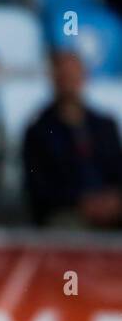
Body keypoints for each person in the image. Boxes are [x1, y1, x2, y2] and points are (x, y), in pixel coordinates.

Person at [23, 49, 122, 228]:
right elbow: (39, 189)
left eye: (74, 75)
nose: (69, 82)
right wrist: (81, 202)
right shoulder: (39, 131)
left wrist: (113, 201)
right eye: (65, 76)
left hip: (110, 209)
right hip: (68, 211)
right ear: (54, 79)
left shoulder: (105, 125)